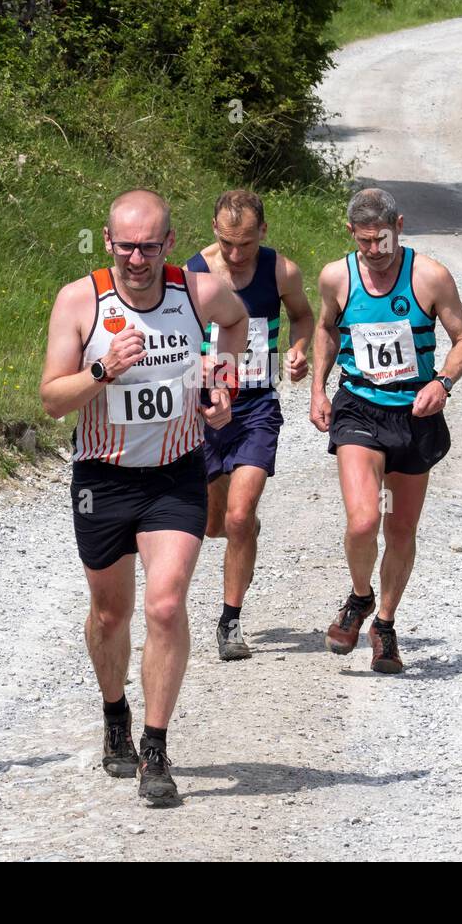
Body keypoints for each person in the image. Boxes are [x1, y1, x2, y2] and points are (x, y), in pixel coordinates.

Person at [40, 189, 247, 806]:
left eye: (149, 246)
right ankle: (115, 713)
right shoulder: (81, 301)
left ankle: (155, 749)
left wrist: (222, 376)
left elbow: (237, 323)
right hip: (103, 478)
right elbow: (52, 399)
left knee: (164, 605)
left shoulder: (198, 291)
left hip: (175, 473)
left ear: (169, 243)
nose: (137, 258)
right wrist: (103, 371)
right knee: (110, 615)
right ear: (108, 242)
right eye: (126, 246)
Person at [309, 188, 462, 674]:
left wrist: (443, 383)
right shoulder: (336, 277)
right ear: (351, 235)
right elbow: (325, 328)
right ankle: (359, 597)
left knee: (399, 528)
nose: (375, 252)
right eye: (365, 244)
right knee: (363, 521)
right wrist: (318, 390)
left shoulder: (430, 276)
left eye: (382, 240)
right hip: (358, 408)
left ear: (399, 226)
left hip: (414, 416)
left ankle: (383, 623)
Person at [185, 190, 314, 661]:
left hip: (257, 406)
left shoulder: (282, 271)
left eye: (245, 244)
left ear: (264, 230)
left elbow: (303, 316)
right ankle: (243, 528)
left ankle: (230, 621)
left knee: (238, 516)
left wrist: (299, 351)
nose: (236, 256)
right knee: (214, 524)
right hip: (202, 410)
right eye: (226, 243)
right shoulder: (190, 274)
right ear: (213, 231)